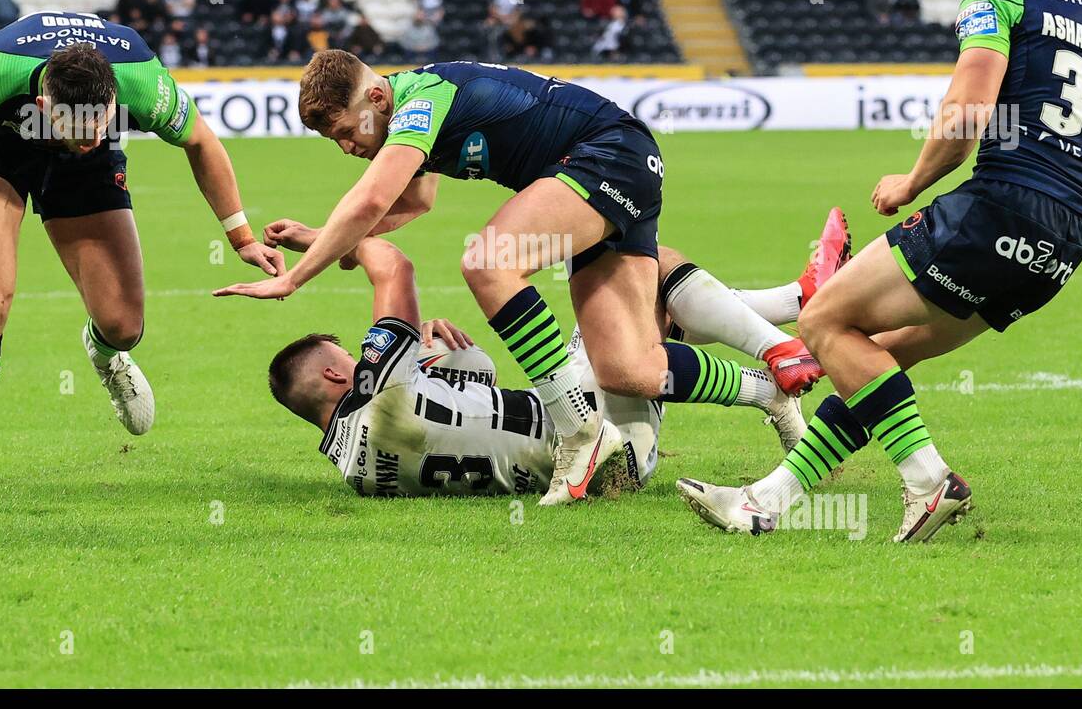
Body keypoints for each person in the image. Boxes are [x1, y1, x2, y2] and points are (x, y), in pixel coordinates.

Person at [678, 0, 1082, 543]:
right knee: (883, 354)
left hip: (998, 212)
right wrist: (1051, 156)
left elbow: (963, 117)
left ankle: (928, 481)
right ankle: (763, 502)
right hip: (1063, 240)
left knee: (826, 322)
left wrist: (909, 184)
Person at [214, 52, 829, 506]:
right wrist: (325, 238)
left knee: (487, 262)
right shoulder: (407, 125)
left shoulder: (420, 97)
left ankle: (580, 430)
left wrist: (295, 277)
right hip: (610, 164)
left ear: (376, 99)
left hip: (604, 150)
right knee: (629, 368)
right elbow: (413, 205)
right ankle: (768, 383)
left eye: (345, 131)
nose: (346, 146)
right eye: (334, 141)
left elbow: (374, 201)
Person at [0, 13, 286, 492]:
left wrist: (242, 238)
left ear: (112, 101)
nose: (90, 139)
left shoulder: (140, 79)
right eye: (77, 128)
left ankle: (104, 352)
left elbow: (201, 141)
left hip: (79, 174)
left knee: (124, 327)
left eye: (99, 126)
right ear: (44, 104)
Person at [265, 228, 841, 497]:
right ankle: (776, 366)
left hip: (586, 455)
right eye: (350, 352)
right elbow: (392, 264)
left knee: (636, 308)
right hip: (597, 442)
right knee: (642, 272)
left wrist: (456, 361)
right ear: (340, 374)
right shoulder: (375, 388)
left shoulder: (356, 475)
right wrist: (322, 242)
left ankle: (798, 306)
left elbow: (478, 412)